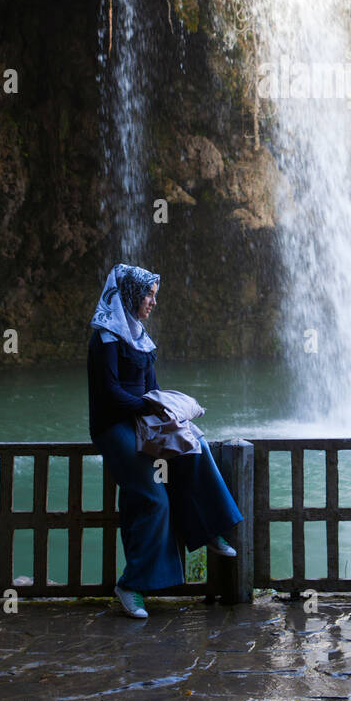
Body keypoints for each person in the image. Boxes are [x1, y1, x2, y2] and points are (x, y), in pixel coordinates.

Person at [87, 263, 243, 619]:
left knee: (194, 444)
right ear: (129, 295)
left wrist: (166, 409)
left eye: (154, 295)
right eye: (148, 294)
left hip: (142, 418)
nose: (153, 302)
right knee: (154, 494)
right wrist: (150, 404)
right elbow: (110, 395)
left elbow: (151, 388)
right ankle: (131, 585)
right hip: (114, 426)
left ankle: (208, 531)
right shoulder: (105, 338)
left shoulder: (140, 337)